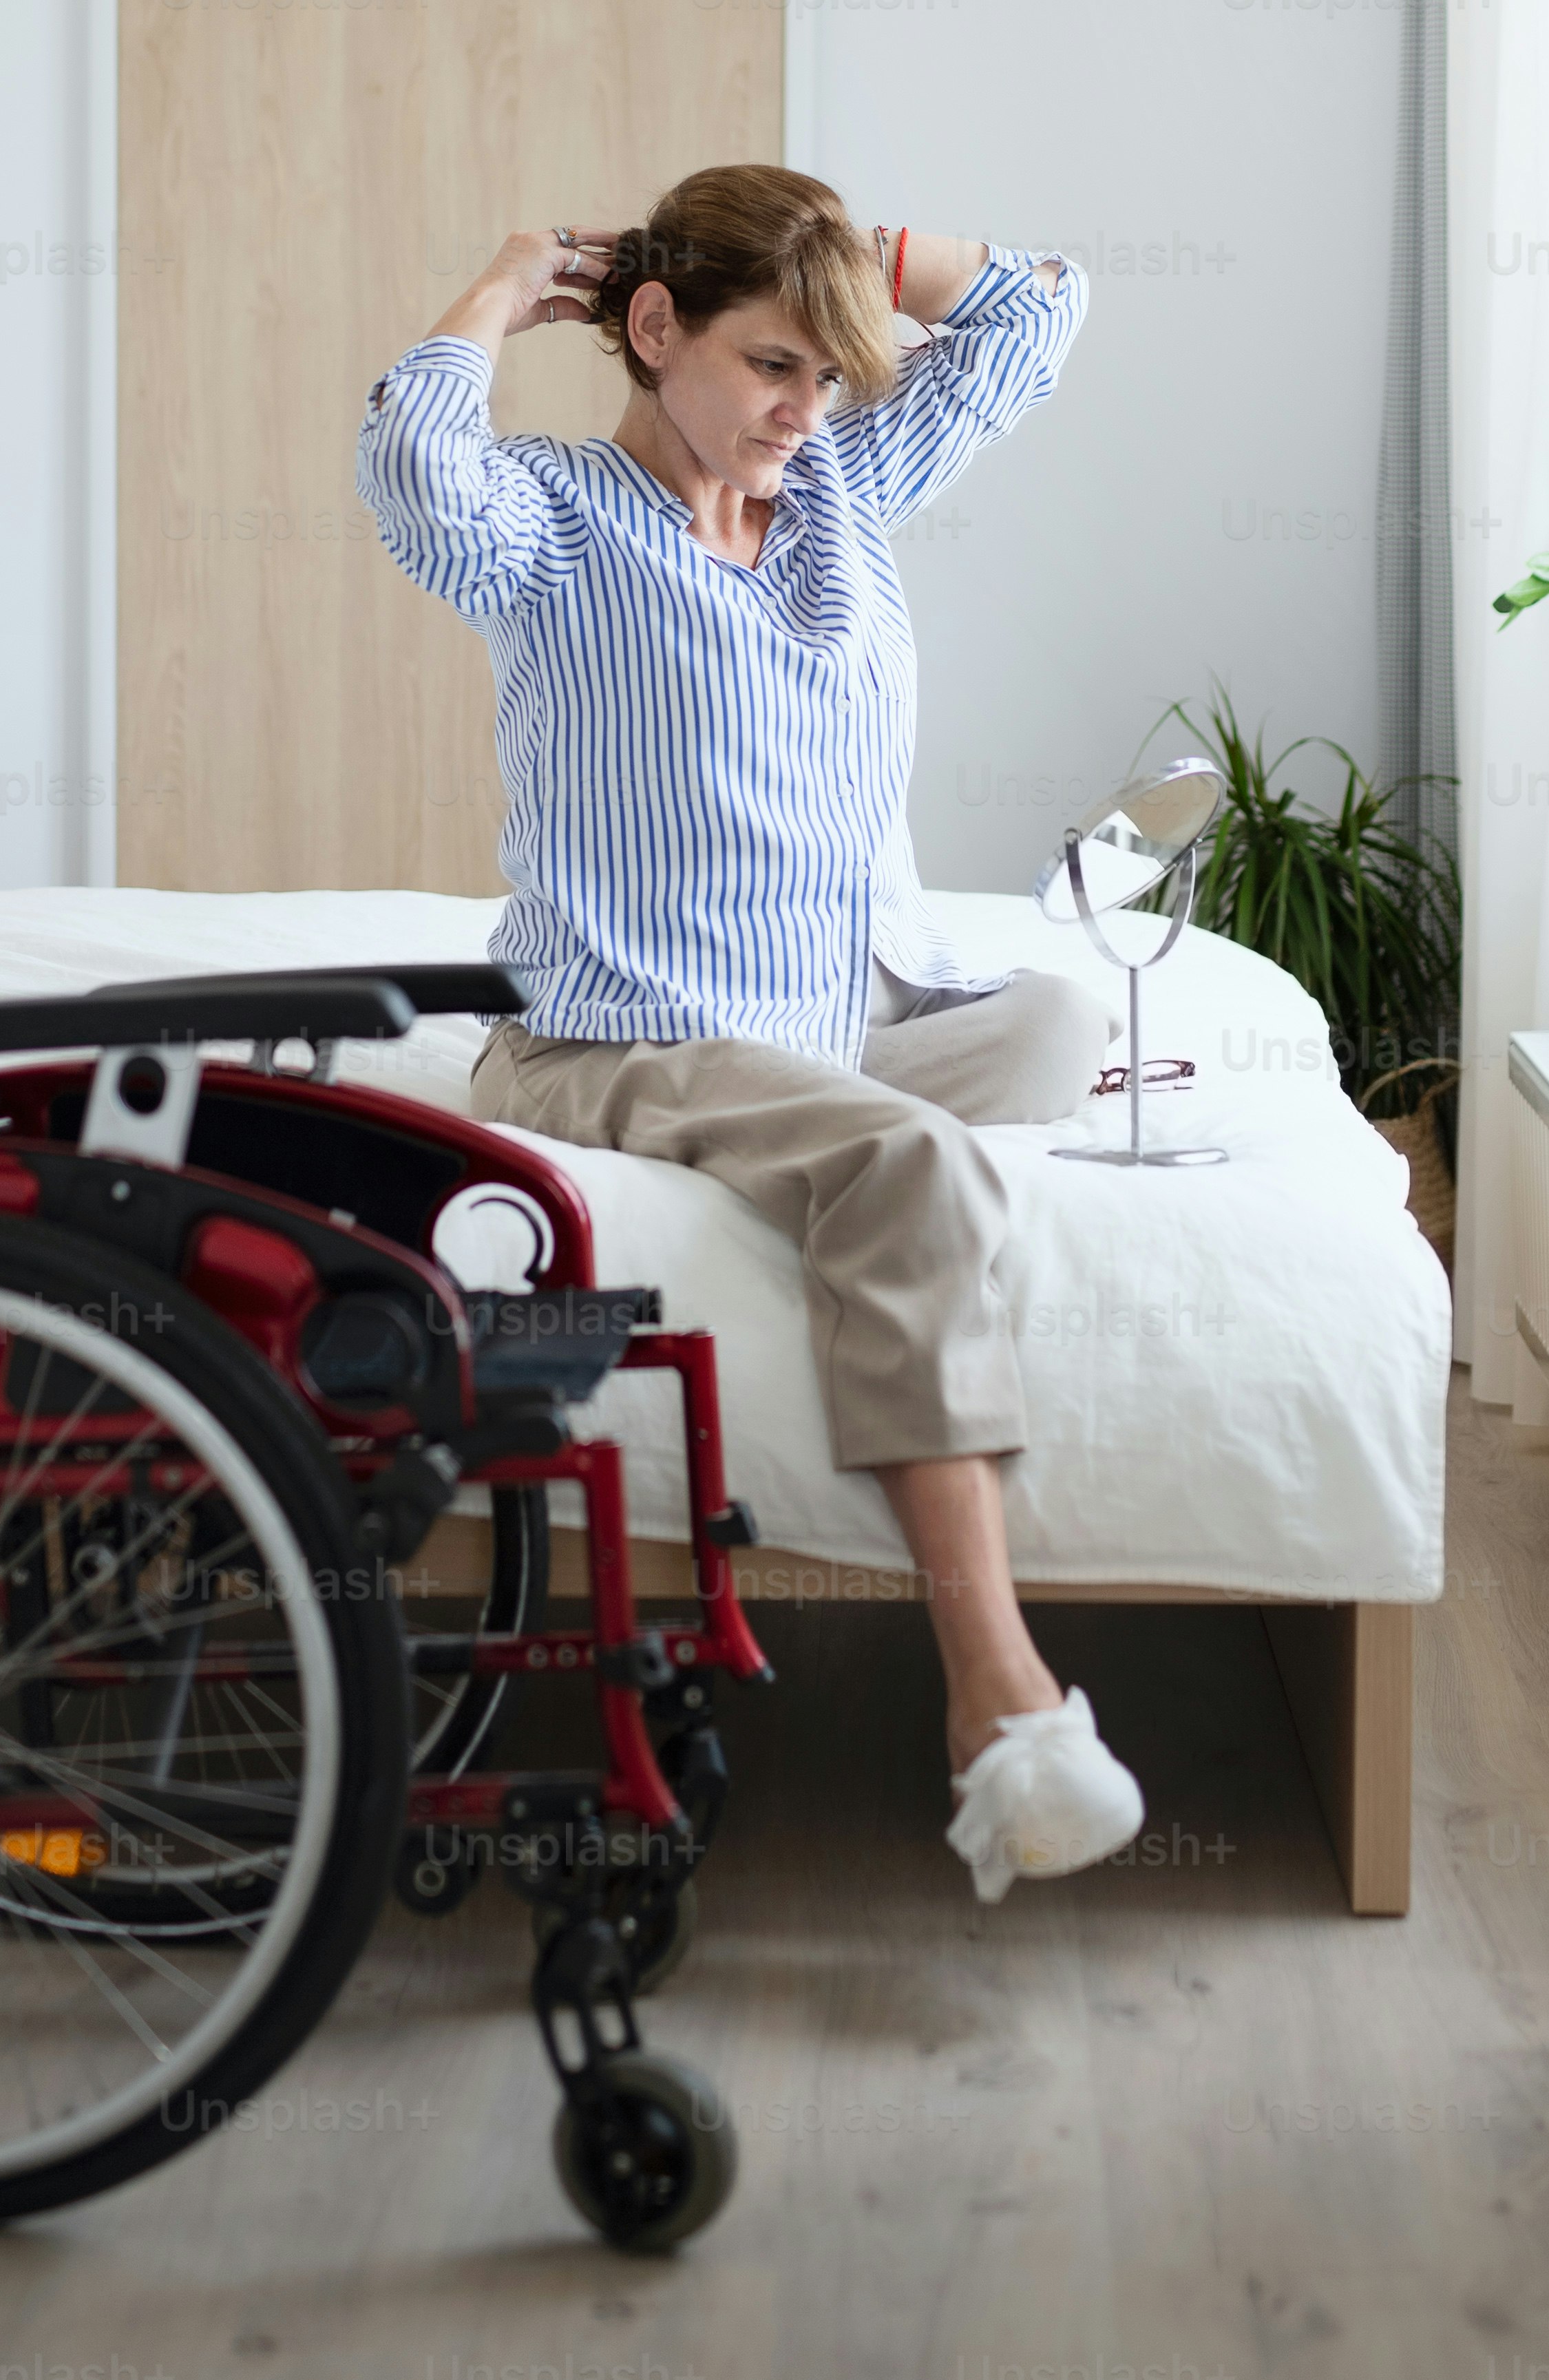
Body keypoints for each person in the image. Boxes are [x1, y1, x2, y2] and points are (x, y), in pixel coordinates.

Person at [356, 165, 1144, 1898]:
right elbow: (411, 467)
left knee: (1061, 1017)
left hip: (824, 1014)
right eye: (773, 362)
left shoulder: (844, 483)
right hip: (620, 1033)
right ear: (656, 334)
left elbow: (1039, 312)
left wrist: (877, 258)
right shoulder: (550, 522)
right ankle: (994, 1692)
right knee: (915, 1169)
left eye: (829, 369)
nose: (808, 405)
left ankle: (868, 1158)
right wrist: (505, 280)